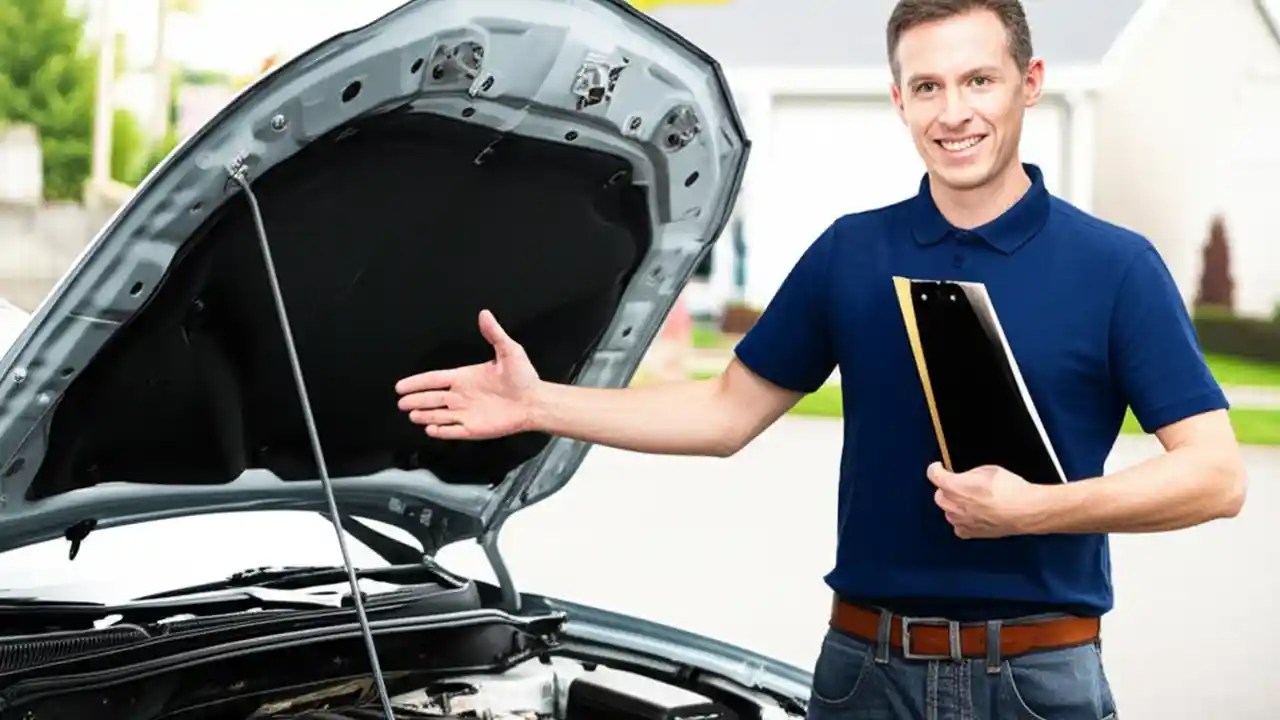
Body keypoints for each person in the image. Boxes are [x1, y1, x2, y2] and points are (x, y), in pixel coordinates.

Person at [395, 0, 1247, 716]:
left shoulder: (1115, 267)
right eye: (928, 86)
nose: (954, 112)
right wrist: (543, 403)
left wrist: (1036, 511)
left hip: (1037, 679)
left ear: (1029, 83)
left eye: (978, 80)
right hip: (864, 674)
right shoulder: (852, 253)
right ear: (900, 101)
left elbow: (1214, 476)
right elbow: (724, 414)